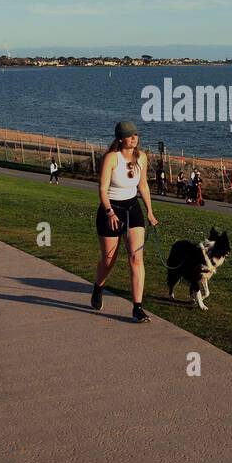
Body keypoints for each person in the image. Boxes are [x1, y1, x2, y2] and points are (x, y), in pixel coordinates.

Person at [91, 121, 158, 322]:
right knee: (109, 260)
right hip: (110, 210)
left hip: (132, 209)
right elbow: (102, 190)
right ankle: (98, 287)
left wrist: (150, 212)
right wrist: (110, 212)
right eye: (129, 135)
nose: (134, 138)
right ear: (120, 139)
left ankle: (137, 307)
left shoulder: (142, 158)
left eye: (135, 134)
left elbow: (143, 186)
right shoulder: (112, 158)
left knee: (136, 259)